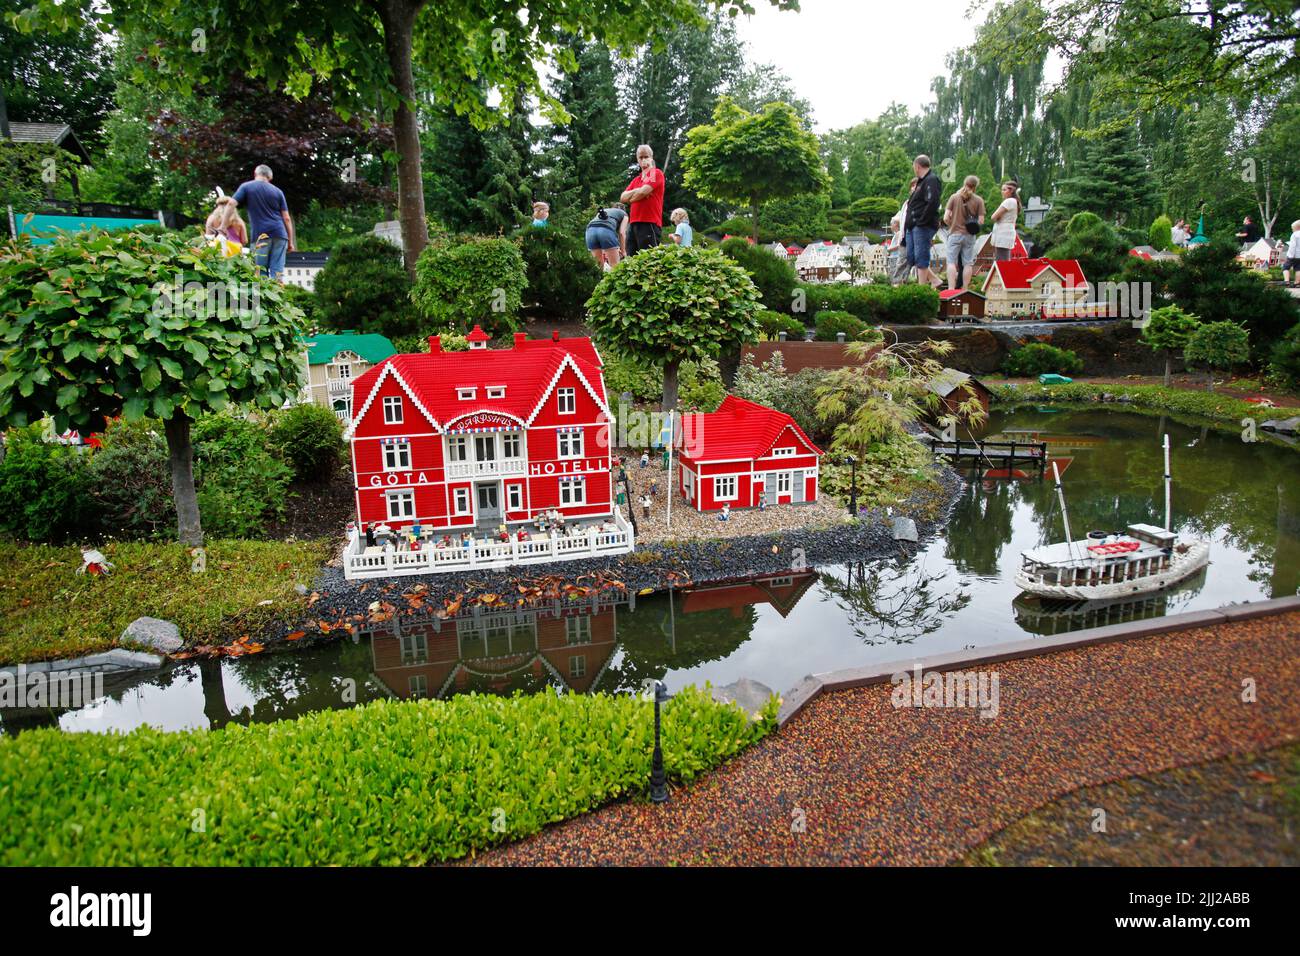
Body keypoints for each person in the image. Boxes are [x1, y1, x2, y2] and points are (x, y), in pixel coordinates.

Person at [232, 164, 295, 280]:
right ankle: (278, 296)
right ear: (270, 177)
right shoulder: (278, 192)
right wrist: (290, 241)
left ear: (255, 174)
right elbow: (286, 218)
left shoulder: (247, 187)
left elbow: (232, 203)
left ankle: (263, 297)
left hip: (260, 236)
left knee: (260, 272)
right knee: (277, 273)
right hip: (280, 235)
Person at [904, 155, 943, 288]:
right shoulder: (921, 181)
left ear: (917, 166)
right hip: (913, 225)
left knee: (921, 255)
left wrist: (921, 221)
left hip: (922, 225)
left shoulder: (931, 180)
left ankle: (921, 287)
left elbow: (933, 202)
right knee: (912, 256)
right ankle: (934, 279)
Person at [620, 145, 665, 255]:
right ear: (637, 159)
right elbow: (623, 197)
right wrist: (638, 192)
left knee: (649, 259)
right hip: (633, 224)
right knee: (631, 260)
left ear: (651, 158)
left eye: (646, 157)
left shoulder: (656, 173)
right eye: (641, 157)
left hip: (649, 223)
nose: (643, 160)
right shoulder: (636, 179)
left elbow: (643, 192)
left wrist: (632, 198)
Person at [943, 175, 986, 290]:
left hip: (954, 234)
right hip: (969, 236)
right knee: (968, 263)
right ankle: (965, 288)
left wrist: (952, 224)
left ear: (964, 183)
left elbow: (946, 218)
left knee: (951, 262)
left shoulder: (954, 197)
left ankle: (951, 289)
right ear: (975, 186)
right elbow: (981, 221)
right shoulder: (979, 200)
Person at [888, 178, 918, 284]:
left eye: (917, 185)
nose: (914, 188)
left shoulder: (923, 203)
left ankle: (900, 283)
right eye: (913, 186)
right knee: (902, 262)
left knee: (916, 262)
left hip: (917, 236)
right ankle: (898, 283)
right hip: (905, 236)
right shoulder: (906, 203)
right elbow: (900, 217)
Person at [585, 202, 628, 269]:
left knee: (599, 267)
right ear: (624, 210)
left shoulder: (606, 211)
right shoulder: (624, 215)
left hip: (590, 231)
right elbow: (622, 233)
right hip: (606, 231)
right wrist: (623, 251)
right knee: (615, 267)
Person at [989, 181, 1021, 262]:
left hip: (1003, 233)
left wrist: (998, 218)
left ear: (1011, 191)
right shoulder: (1014, 201)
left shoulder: (1009, 201)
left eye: (1004, 190)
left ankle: (1005, 274)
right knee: (1004, 259)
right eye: (1002, 189)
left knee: (1002, 260)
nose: (1002, 192)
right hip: (1007, 232)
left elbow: (993, 217)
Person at [1284, 219, 1300, 288]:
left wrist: (1290, 255)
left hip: (1293, 255)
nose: (1292, 230)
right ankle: (1297, 282)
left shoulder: (1294, 235)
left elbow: (1292, 246)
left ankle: (1287, 281)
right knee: (1298, 269)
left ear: (1296, 228)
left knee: (1285, 267)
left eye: (1292, 229)